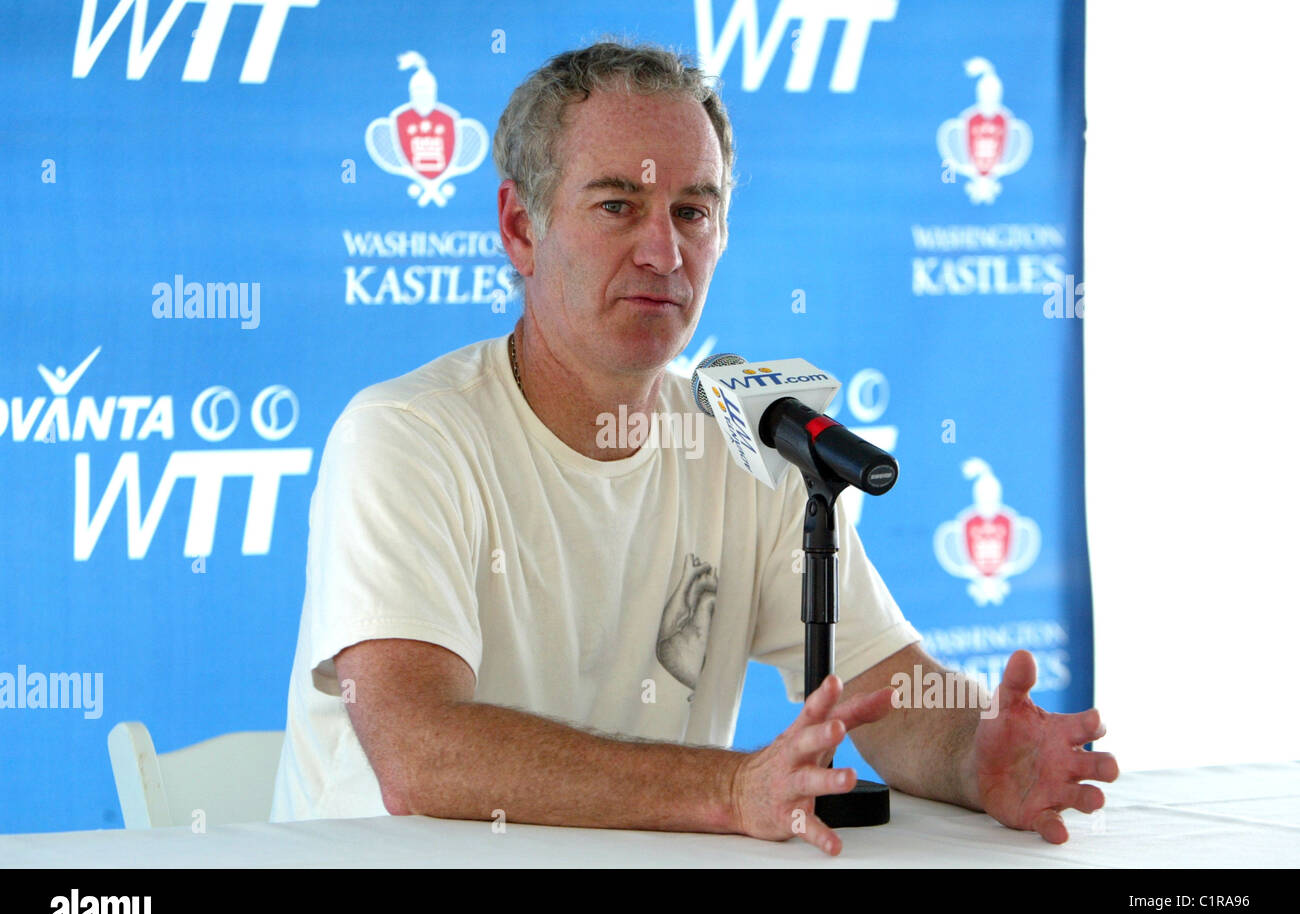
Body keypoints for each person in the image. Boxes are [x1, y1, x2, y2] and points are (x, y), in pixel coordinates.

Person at [270, 41, 1117, 855]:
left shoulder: (754, 438)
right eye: (618, 207)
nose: (664, 251)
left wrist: (977, 756)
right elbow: (423, 754)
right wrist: (729, 789)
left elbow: (880, 686)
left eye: (693, 211)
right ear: (520, 228)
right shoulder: (407, 435)